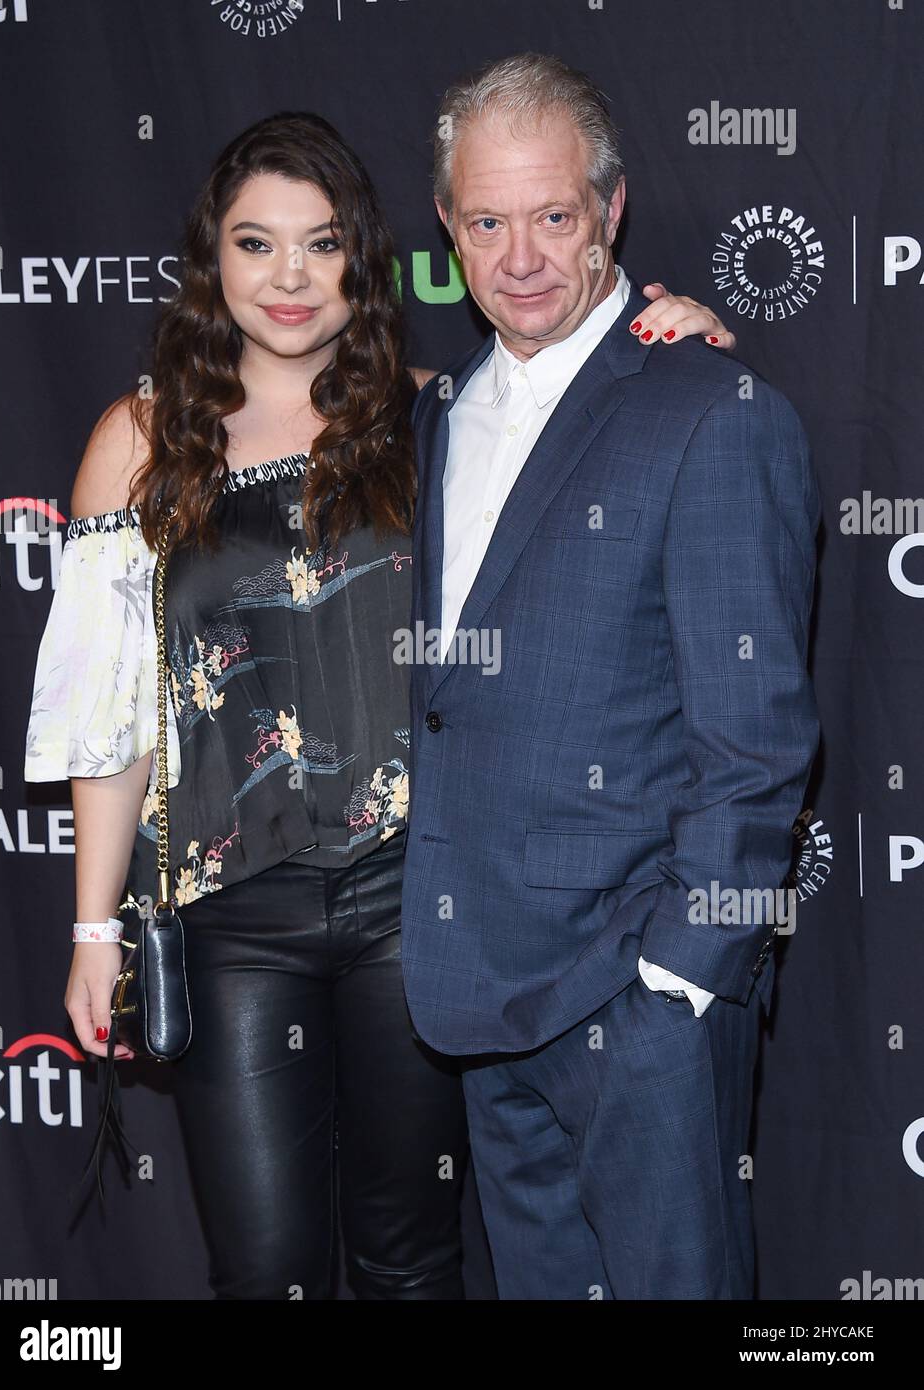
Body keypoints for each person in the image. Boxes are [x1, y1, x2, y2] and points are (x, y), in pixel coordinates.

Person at [24, 109, 736, 1300]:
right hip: (232, 916)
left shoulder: (433, 416)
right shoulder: (139, 442)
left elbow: (589, 401)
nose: (290, 278)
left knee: (415, 1260)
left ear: (367, 254)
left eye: (321, 244)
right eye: (257, 245)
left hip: (421, 908)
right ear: (215, 261)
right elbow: (111, 715)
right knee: (264, 1268)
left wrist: (683, 328)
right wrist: (96, 927)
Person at [400, 53, 821, 1300]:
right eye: (488, 220)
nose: (521, 257)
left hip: (642, 1007)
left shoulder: (711, 406)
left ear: (612, 210)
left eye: (554, 217)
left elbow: (760, 740)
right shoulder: (439, 417)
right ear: (448, 228)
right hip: (479, 992)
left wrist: (678, 980)